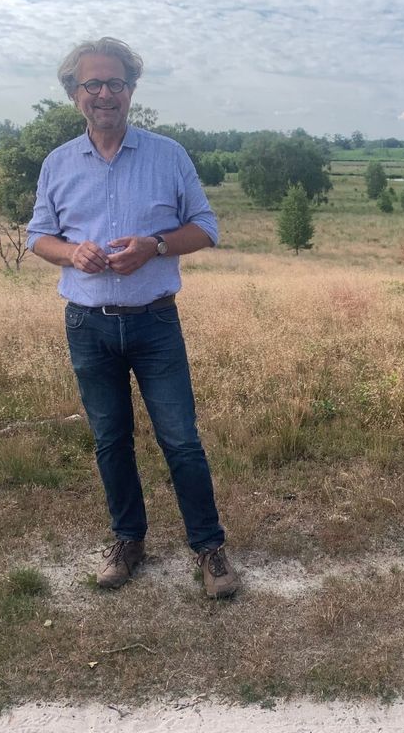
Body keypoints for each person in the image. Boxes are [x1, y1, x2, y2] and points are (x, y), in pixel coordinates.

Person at [26, 37, 240, 599]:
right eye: (91, 84)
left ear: (131, 90)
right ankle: (128, 541)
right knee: (110, 440)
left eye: (115, 83)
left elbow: (206, 227)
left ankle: (209, 547)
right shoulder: (57, 164)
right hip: (87, 324)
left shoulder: (168, 155)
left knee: (181, 440)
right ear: (74, 95)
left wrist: (155, 245)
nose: (104, 94)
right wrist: (72, 253)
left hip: (154, 322)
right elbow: (38, 237)